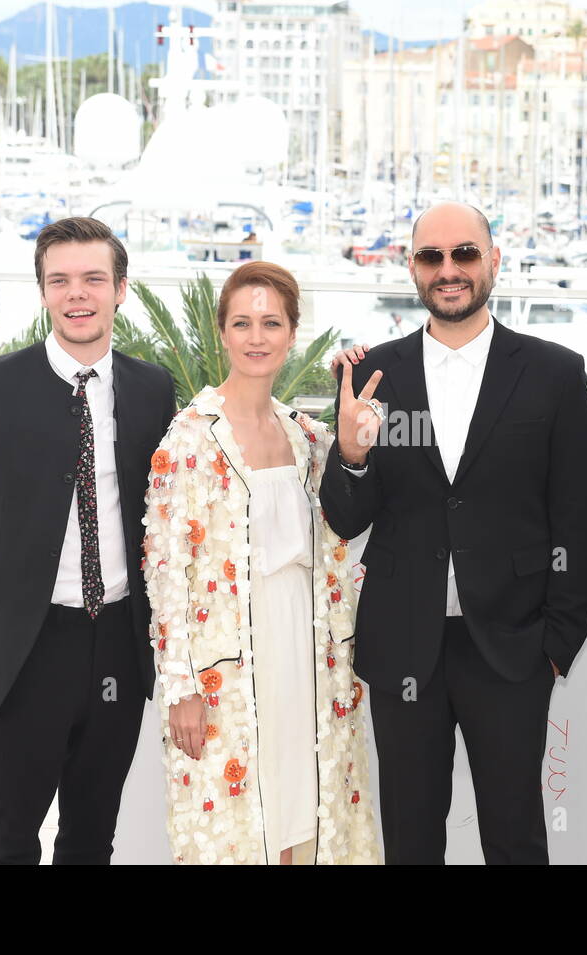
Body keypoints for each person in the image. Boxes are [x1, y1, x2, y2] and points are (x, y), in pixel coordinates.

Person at [320, 201, 587, 864]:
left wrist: (556, 644)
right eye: (432, 257)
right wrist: (353, 454)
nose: (449, 270)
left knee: (515, 836)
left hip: (511, 648)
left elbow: (577, 519)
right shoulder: (370, 374)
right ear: (413, 268)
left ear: (493, 260)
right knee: (411, 839)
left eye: (465, 253)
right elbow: (344, 515)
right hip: (402, 647)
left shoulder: (555, 373)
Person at [0, 216, 176, 864]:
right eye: (60, 280)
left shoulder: (152, 389)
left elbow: (164, 511)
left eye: (94, 278)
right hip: (25, 651)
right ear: (42, 291)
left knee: (92, 836)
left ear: (120, 288)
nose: (77, 293)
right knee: (9, 840)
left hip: (118, 643)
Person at [143, 261, 380, 865]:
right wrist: (180, 688)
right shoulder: (190, 439)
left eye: (271, 323)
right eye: (242, 323)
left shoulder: (307, 437)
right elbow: (167, 573)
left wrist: (356, 379)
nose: (256, 337)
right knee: (239, 820)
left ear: (292, 333)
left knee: (310, 810)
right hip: (228, 668)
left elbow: (351, 495)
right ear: (222, 332)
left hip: (309, 658)